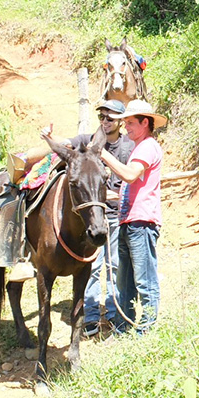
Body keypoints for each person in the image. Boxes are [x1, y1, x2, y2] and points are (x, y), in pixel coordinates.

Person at [100, 99, 165, 335]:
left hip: (141, 223)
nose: (126, 128)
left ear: (145, 123)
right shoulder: (139, 148)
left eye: (130, 123)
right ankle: (122, 327)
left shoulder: (147, 146)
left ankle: (146, 330)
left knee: (144, 281)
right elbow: (132, 188)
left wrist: (103, 155)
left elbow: (129, 175)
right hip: (129, 222)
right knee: (124, 282)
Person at [82, 99, 134, 339]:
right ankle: (91, 315)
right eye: (101, 117)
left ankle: (113, 313)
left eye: (110, 118)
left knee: (114, 267)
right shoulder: (91, 143)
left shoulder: (128, 148)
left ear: (121, 122)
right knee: (92, 267)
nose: (104, 122)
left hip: (115, 215)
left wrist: (113, 195)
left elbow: (130, 182)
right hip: (94, 217)